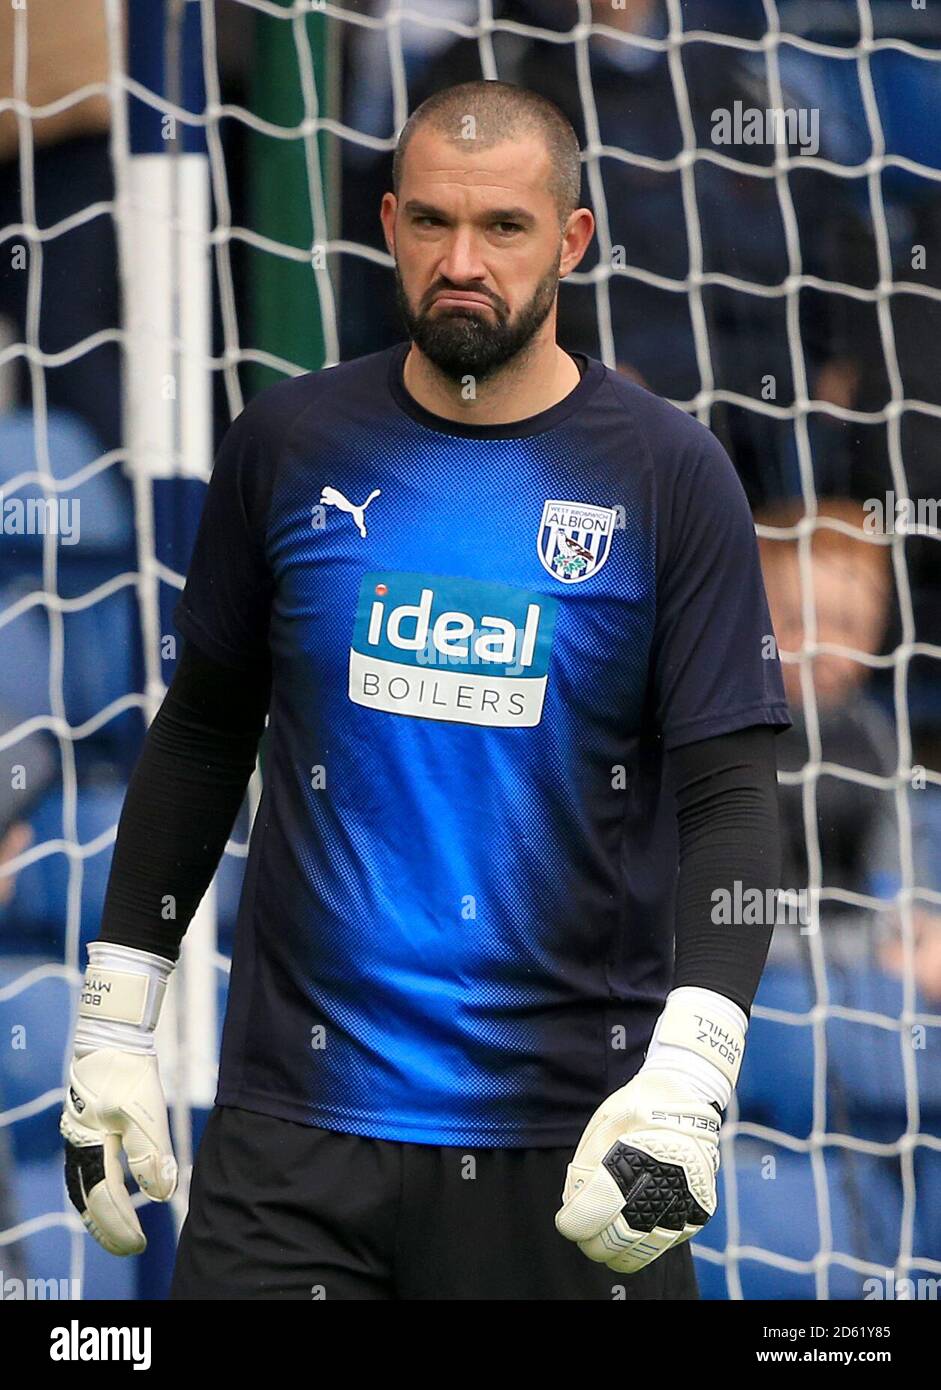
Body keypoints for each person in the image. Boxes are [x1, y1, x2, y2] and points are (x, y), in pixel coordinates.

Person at [60, 81, 790, 1301]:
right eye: (433, 224)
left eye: (502, 228)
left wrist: (692, 1070)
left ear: (571, 239)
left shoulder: (673, 475)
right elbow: (199, 738)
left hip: (570, 1147)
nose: (462, 262)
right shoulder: (288, 443)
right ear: (388, 223)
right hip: (292, 1143)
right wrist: (113, 1018)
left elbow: (730, 798)